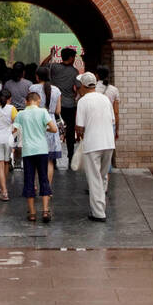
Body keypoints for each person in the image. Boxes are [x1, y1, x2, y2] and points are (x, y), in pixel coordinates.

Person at [74, 72, 116, 223]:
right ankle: (101, 206)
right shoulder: (105, 99)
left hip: (93, 144)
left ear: (83, 86)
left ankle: (99, 213)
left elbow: (79, 127)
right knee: (103, 176)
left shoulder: (83, 101)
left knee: (95, 179)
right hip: (109, 143)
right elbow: (112, 121)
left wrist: (81, 136)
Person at [14, 90, 57, 222]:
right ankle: (45, 211)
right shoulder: (43, 112)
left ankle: (32, 213)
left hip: (28, 151)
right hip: (42, 150)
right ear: (38, 100)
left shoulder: (21, 114)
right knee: (44, 179)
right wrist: (44, 129)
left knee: (29, 180)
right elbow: (54, 129)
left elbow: (14, 130)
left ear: (26, 101)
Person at [43, 47, 81, 161]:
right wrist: (74, 96)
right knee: (70, 131)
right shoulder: (74, 72)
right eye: (74, 57)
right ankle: (70, 155)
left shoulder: (53, 67)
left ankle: (53, 158)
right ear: (70, 58)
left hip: (55, 106)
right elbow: (78, 88)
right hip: (69, 105)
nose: (74, 59)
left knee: (54, 131)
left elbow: (42, 66)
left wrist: (51, 55)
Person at [33, 66, 63, 184]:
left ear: (37, 76)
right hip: (51, 123)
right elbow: (58, 111)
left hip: (36, 122)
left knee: (35, 159)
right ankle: (47, 187)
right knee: (50, 160)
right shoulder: (56, 90)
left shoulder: (33, 88)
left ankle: (35, 185)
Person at [0, 90, 18, 200]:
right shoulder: (12, 109)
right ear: (9, 99)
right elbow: (16, 125)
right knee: (6, 163)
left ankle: (4, 190)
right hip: (8, 139)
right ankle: (3, 187)